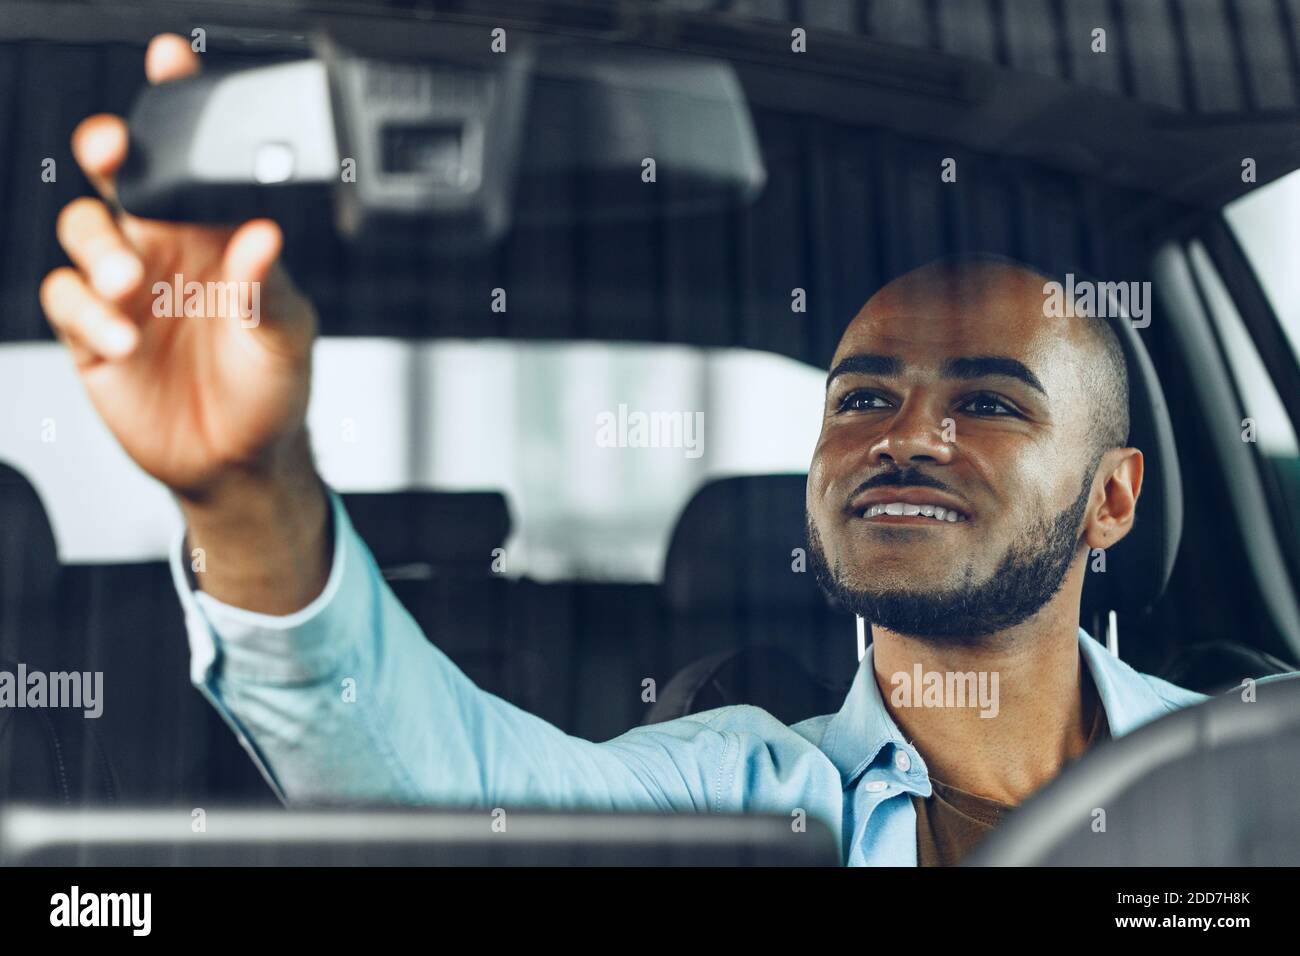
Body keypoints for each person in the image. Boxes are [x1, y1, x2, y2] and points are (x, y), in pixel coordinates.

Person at [40, 34, 1204, 866]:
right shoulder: (725, 795)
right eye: (857, 399)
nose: (903, 436)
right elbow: (447, 797)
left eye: (990, 403)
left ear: (1111, 498)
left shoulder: (1246, 759)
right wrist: (250, 494)